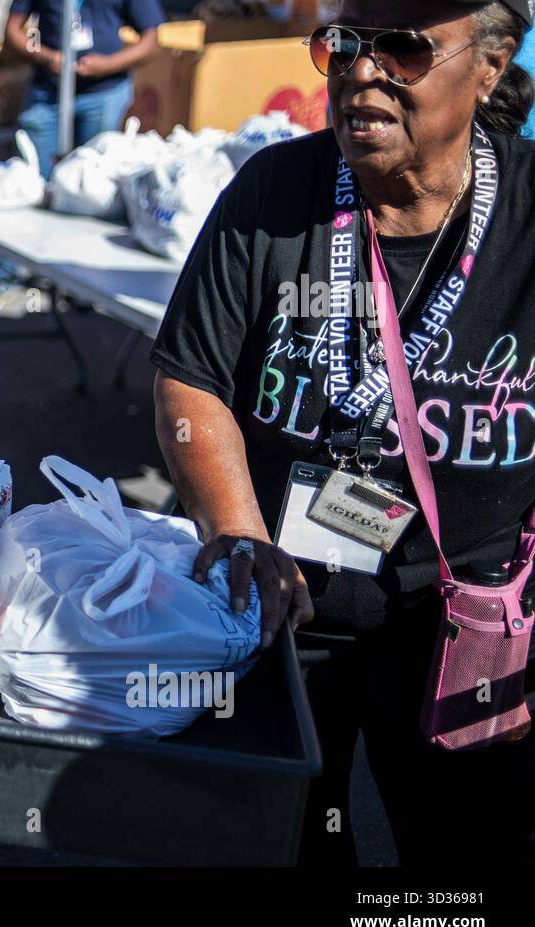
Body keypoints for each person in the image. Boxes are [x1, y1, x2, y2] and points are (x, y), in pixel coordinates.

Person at [151, 0, 535, 865]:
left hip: (463, 621)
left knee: (463, 865)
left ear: (490, 64)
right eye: (344, 44)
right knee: (295, 842)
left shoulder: (528, 210)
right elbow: (191, 374)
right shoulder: (274, 191)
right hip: (287, 614)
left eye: (402, 49)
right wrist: (239, 532)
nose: (362, 72)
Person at [0, 0, 165, 309]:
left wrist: (109, 64)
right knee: (24, 180)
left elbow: (152, 39)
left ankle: (83, 284)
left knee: (92, 190)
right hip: (49, 91)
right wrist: (44, 55)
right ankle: (6, 276)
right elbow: (13, 29)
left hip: (102, 93)